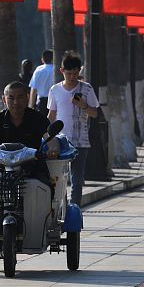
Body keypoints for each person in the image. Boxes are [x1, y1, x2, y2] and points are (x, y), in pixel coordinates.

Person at [0, 81, 58, 185]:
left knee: (47, 187)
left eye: (20, 97)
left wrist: (53, 149)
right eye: (11, 98)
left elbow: (50, 138)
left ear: (27, 98)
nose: (16, 102)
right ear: (4, 100)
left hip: (33, 166)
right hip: (1, 167)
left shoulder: (38, 118)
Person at [48, 53, 99, 206]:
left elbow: (95, 113)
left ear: (79, 72)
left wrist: (83, 105)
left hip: (80, 141)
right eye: (69, 73)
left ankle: (74, 210)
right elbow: (51, 115)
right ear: (61, 71)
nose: (72, 76)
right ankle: (58, 206)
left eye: (75, 73)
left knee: (77, 180)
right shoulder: (55, 90)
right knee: (59, 177)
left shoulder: (87, 89)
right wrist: (47, 137)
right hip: (60, 141)